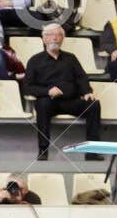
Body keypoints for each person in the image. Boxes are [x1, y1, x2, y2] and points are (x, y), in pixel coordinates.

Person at [23, 23, 102, 160]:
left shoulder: (70, 58)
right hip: (49, 101)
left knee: (93, 104)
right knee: (42, 105)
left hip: (71, 100)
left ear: (62, 39)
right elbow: (27, 87)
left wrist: (87, 91)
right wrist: (47, 91)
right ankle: (43, 151)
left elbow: (81, 78)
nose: (55, 38)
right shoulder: (35, 60)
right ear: (44, 39)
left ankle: (92, 152)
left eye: (59, 35)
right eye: (51, 35)